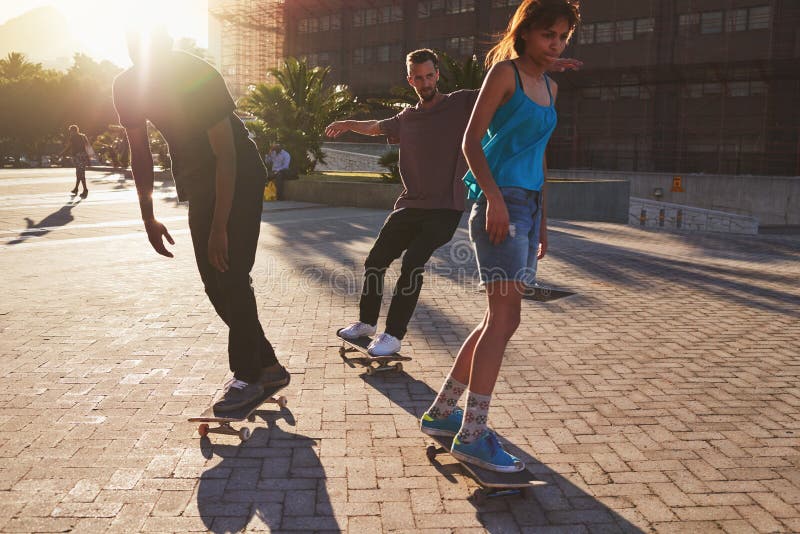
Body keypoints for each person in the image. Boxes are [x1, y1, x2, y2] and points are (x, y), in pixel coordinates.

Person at [420, 0, 581, 472]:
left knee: (498, 319)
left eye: (564, 36)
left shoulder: (550, 85)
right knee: (505, 320)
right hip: (499, 204)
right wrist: (491, 199)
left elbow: (540, 156)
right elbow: (470, 141)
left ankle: (443, 414)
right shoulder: (504, 74)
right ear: (526, 33)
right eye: (549, 34)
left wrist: (544, 221)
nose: (557, 44)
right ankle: (472, 435)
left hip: (527, 207)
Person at [112, 27, 289, 411]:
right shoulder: (127, 85)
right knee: (214, 282)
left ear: (167, 48)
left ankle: (247, 377)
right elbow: (139, 152)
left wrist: (220, 228)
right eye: (133, 50)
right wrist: (148, 218)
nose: (141, 62)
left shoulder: (197, 75)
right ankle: (268, 365)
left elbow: (226, 155)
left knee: (232, 274)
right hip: (197, 180)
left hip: (238, 175)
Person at [325, 49, 478, 357]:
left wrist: (539, 64)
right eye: (418, 78)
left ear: (438, 74)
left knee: (412, 264)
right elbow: (373, 126)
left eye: (429, 75)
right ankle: (367, 324)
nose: (425, 82)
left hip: (446, 207)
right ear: (411, 80)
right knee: (375, 261)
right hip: (411, 205)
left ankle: (393, 335)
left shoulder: (461, 102)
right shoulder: (406, 118)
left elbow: (502, 87)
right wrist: (347, 122)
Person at [60, 125, 90, 198]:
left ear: (73, 131)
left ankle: (85, 189)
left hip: (78, 156)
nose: (70, 133)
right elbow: (88, 147)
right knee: (79, 173)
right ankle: (76, 188)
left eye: (70, 131)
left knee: (80, 174)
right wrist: (88, 157)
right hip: (83, 156)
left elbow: (68, 147)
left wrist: (61, 153)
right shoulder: (83, 136)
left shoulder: (73, 137)